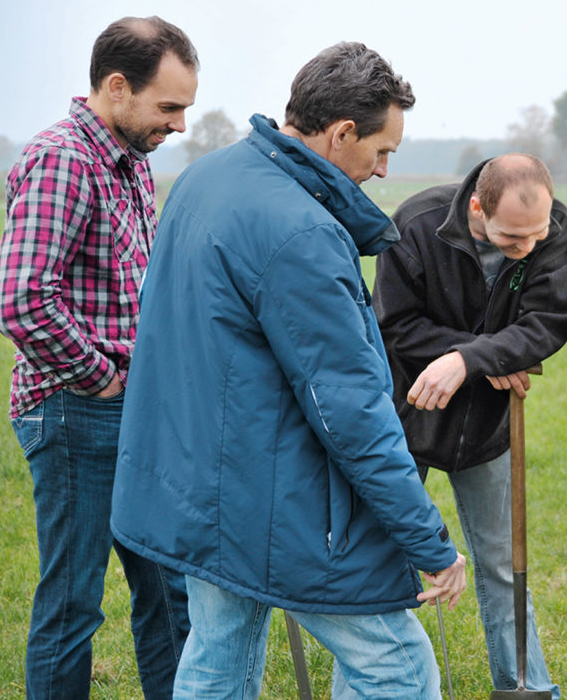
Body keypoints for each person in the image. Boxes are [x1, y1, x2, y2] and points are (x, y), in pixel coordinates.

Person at [109, 42, 467, 698]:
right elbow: (351, 411)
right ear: (342, 133)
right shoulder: (302, 234)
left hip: (198, 485)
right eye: (382, 151)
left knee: (218, 655)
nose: (385, 170)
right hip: (273, 501)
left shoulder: (205, 178)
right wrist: (429, 542)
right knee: (395, 666)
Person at [0, 16, 197, 700]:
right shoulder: (64, 158)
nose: (177, 125)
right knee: (74, 604)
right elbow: (24, 299)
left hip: (134, 410)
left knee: (169, 590)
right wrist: (104, 379)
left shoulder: (131, 161)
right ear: (117, 87)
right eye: (168, 107)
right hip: (77, 410)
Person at [373, 152, 567, 698]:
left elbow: (549, 324)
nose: (528, 249)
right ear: (476, 208)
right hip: (406, 412)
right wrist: (480, 356)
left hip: (489, 423)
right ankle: (376, 684)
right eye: (513, 238)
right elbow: (396, 326)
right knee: (380, 556)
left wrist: (471, 361)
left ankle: (526, 687)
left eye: (536, 236)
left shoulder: (554, 229)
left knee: (502, 564)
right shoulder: (416, 224)